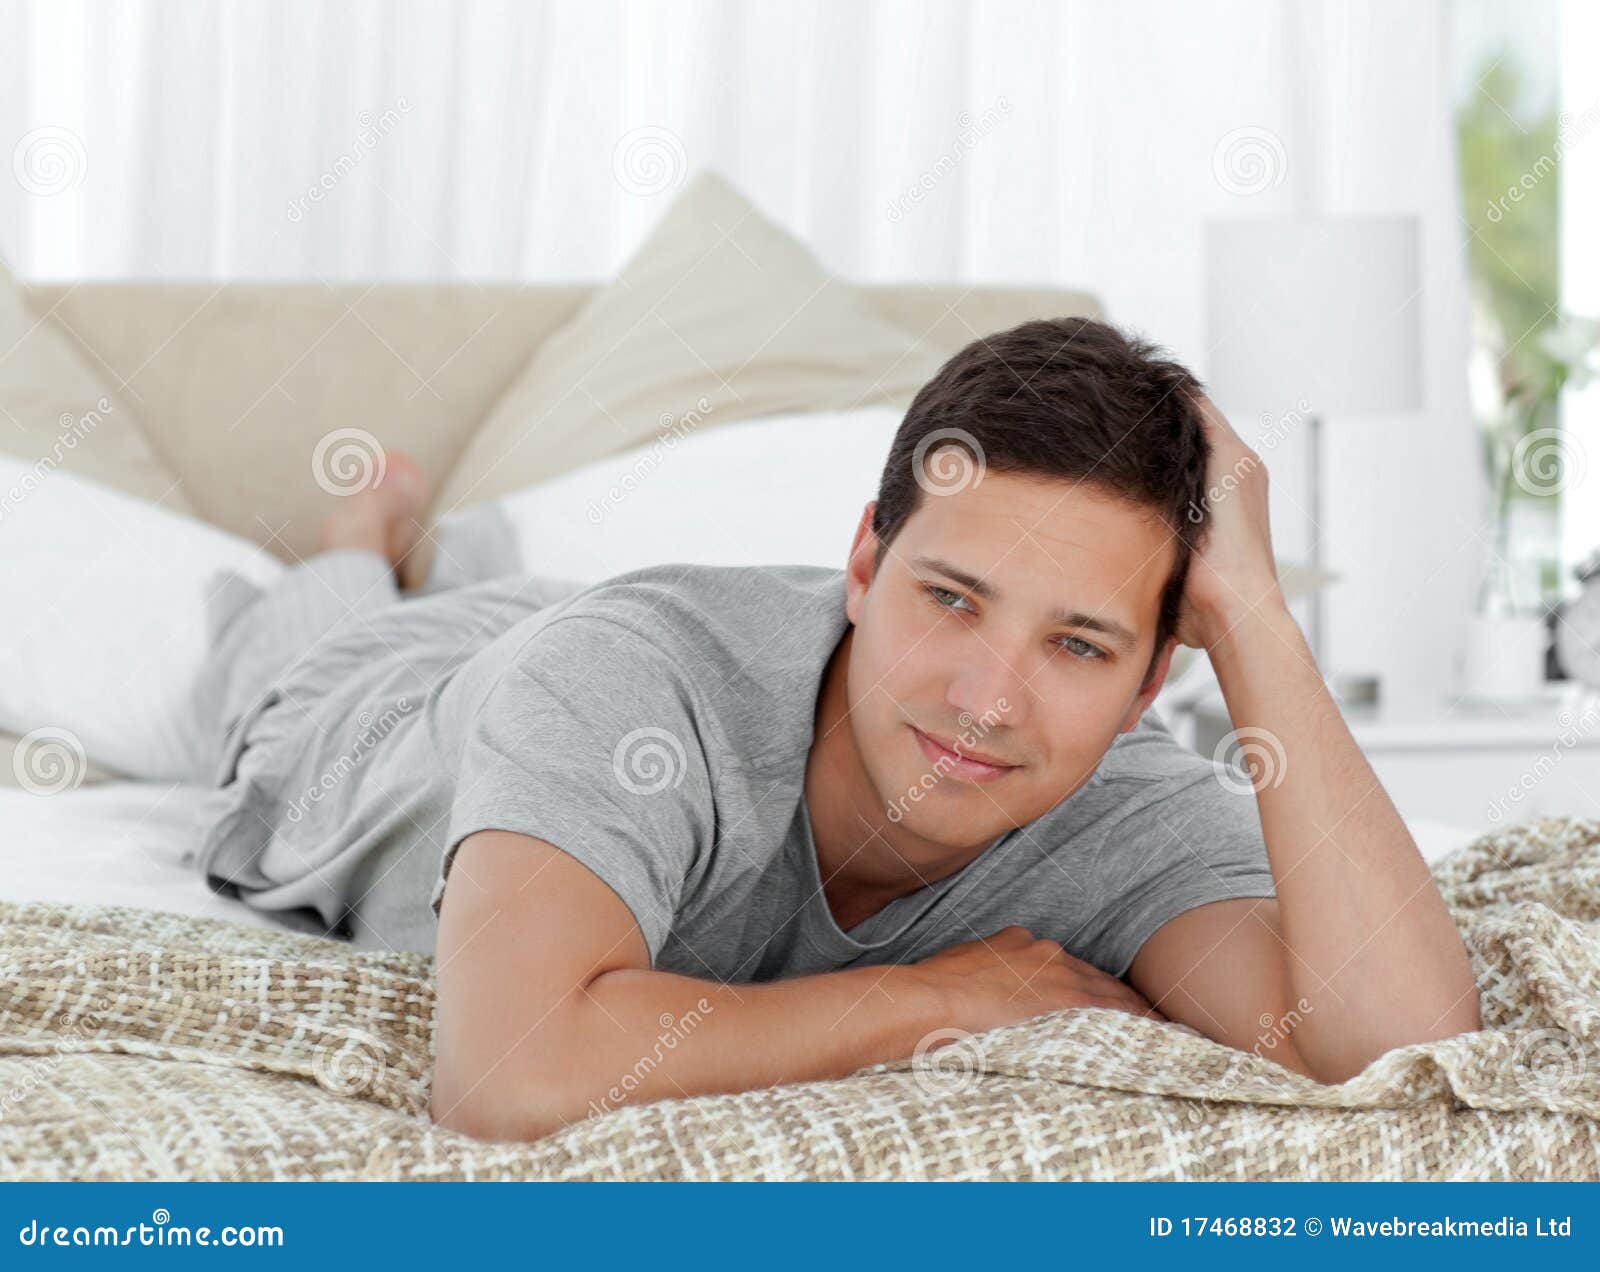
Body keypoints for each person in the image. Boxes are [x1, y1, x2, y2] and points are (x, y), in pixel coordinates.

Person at [188, 317, 1481, 1143]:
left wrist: (1255, 617)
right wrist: (938, 998)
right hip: (382, 708)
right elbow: (510, 1078)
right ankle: (358, 547)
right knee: (289, 651)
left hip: (576, 652)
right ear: (865, 562)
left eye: (1078, 645)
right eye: (950, 599)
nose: (987, 701)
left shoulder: (1128, 806)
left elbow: (1406, 1060)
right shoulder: (621, 687)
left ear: (1152, 683)